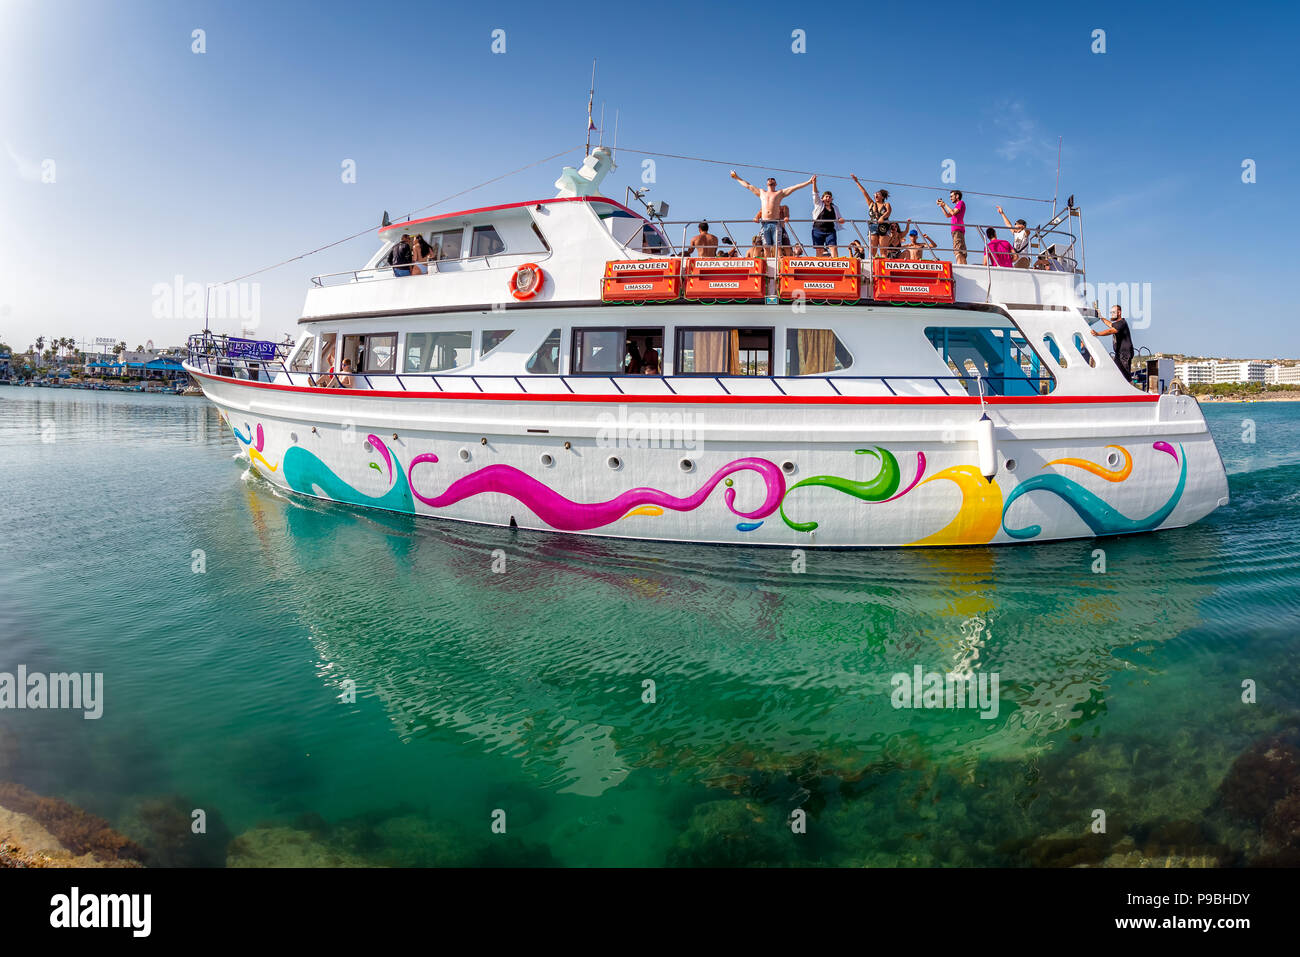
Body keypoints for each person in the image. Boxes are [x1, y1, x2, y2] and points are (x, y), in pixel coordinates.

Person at [730, 170, 816, 254]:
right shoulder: (761, 192)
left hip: (776, 222)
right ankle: (767, 266)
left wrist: (808, 182)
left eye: (772, 179)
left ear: (776, 183)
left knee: (777, 246)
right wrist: (737, 177)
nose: (770, 180)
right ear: (766, 183)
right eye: (769, 179)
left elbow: (794, 187)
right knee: (766, 246)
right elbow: (748, 185)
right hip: (764, 223)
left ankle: (778, 263)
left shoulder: (780, 193)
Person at [850, 175, 891, 258]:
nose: (875, 195)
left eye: (878, 194)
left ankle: (883, 263)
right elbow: (864, 193)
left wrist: (882, 217)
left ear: (882, 196)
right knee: (873, 249)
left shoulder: (886, 204)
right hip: (873, 226)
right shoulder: (871, 204)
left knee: (883, 249)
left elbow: (888, 212)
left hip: (884, 226)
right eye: (875, 194)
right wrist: (857, 182)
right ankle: (872, 266)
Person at [1092, 305, 1134, 379]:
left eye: (1113, 312)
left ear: (1119, 312)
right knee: (1116, 375)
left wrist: (1098, 333)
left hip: (1125, 355)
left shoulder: (1122, 323)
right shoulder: (1117, 324)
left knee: (1125, 378)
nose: (1112, 314)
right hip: (1118, 354)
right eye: (1111, 312)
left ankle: (1130, 389)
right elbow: (1109, 324)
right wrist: (1101, 316)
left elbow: (1111, 330)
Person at [810, 175, 846, 256]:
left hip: (830, 230)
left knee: (833, 247)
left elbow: (840, 217)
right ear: (822, 198)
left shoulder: (835, 208)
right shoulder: (819, 204)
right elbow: (815, 194)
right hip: (818, 230)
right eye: (826, 197)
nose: (828, 198)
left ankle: (835, 264)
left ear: (831, 199)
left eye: (830, 197)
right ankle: (818, 267)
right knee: (819, 250)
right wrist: (814, 183)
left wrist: (841, 220)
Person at [936, 190, 967, 264]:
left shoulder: (960, 203)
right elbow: (947, 215)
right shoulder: (957, 205)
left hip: (957, 230)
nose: (950, 198)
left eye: (951, 196)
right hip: (958, 230)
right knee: (961, 251)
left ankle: (960, 267)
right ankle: (964, 266)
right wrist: (942, 206)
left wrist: (945, 204)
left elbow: (952, 212)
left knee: (958, 251)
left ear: (957, 196)